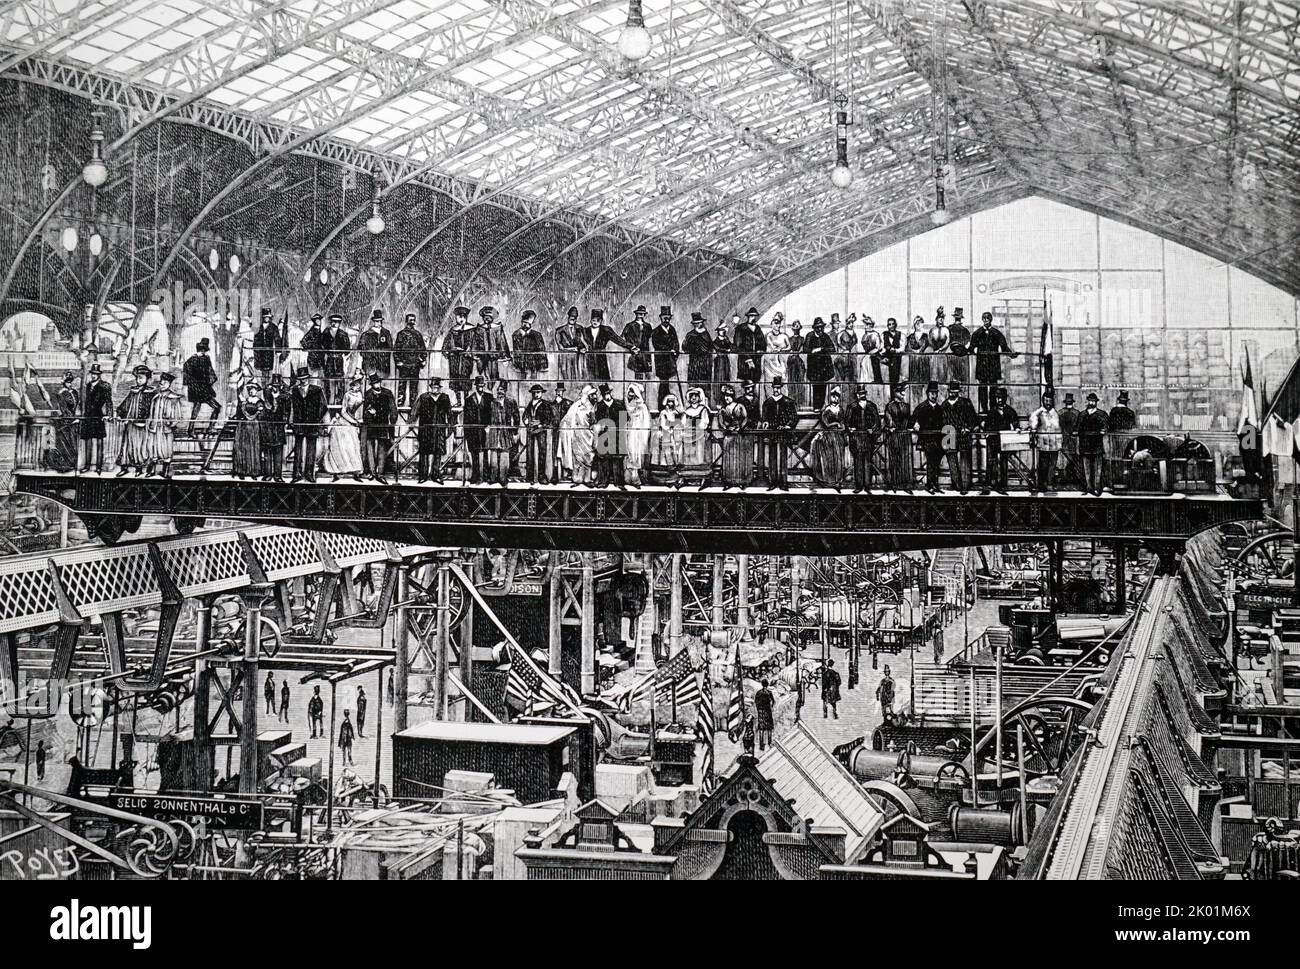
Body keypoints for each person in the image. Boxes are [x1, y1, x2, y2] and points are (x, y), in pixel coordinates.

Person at [968, 311, 1017, 412]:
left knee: (993, 388)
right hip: (982, 364)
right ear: (982, 320)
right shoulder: (977, 333)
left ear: (991, 320)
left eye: (988, 319)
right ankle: (984, 409)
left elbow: (1004, 347)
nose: (986, 321)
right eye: (984, 318)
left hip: (993, 364)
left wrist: (1011, 354)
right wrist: (965, 351)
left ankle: (993, 409)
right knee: (982, 388)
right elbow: (971, 347)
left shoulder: (996, 333)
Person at [323, 376, 365, 482]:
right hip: (344, 422)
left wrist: (358, 421)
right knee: (340, 447)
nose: (358, 386)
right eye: (356, 384)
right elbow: (343, 411)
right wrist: (353, 421)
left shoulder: (360, 395)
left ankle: (356, 472)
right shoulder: (347, 395)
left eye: (359, 384)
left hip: (355, 423)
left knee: (353, 448)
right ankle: (336, 472)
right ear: (352, 385)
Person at [115, 364, 155, 476]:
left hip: (142, 426)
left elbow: (152, 409)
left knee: (139, 448)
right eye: (137, 378)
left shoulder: (150, 393)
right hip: (131, 424)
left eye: (141, 378)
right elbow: (125, 404)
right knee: (127, 447)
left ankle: (139, 468)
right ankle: (124, 467)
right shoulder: (133, 391)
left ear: (147, 379)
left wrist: (146, 420)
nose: (138, 380)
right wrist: (120, 414)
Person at [289, 367, 328, 482]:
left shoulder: (317, 390)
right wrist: (292, 421)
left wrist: (316, 418)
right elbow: (291, 406)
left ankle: (309, 475)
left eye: (305, 378)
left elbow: (323, 406)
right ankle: (296, 475)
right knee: (298, 450)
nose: (303, 380)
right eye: (301, 378)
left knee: (311, 450)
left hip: (312, 424)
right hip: (299, 424)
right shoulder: (294, 390)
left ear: (308, 378)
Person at [411, 376, 452, 483]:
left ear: (440, 388)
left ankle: (436, 475)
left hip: (439, 430)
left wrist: (451, 426)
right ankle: (423, 476)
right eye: (434, 387)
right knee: (424, 452)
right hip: (425, 429)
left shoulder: (444, 398)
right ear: (430, 387)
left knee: (438, 452)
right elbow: (415, 411)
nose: (435, 389)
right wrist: (411, 422)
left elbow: (450, 413)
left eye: (437, 387)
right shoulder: (423, 397)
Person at [941, 379, 979, 494]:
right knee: (952, 460)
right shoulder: (944, 405)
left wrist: (968, 428)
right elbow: (941, 421)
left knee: (965, 461)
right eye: (951, 392)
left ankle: (965, 486)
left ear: (958, 392)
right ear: (948, 391)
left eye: (955, 392)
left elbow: (973, 419)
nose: (953, 394)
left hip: (963, 434)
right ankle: (956, 485)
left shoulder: (966, 403)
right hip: (949, 435)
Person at [580, 308, 634, 385]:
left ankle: (606, 396)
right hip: (589, 358)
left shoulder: (606, 330)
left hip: (601, 358)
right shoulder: (585, 330)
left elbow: (617, 339)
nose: (595, 322)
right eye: (593, 320)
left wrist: (630, 346)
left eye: (598, 320)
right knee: (591, 380)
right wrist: (581, 348)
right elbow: (580, 341)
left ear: (601, 321)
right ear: (590, 320)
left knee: (603, 380)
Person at [145, 371, 185, 478]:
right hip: (155, 427)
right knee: (153, 449)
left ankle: (166, 471)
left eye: (164, 383)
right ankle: (152, 470)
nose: (161, 385)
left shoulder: (174, 398)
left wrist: (172, 423)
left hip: (166, 429)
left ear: (169, 384)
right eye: (161, 383)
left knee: (166, 449)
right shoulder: (156, 398)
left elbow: (178, 414)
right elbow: (151, 413)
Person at [760, 376, 797, 489]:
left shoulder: (788, 402)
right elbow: (764, 417)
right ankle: (773, 482)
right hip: (772, 432)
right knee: (772, 457)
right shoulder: (767, 402)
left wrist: (788, 425)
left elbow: (794, 417)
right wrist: (765, 422)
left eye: (778, 388)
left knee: (783, 457)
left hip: (783, 433)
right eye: (774, 388)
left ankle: (783, 483)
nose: (776, 390)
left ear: (781, 388)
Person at [982, 386, 1020, 495]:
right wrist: (987, 433)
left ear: (1005, 398)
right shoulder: (992, 412)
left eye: (1001, 398)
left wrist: (1016, 428)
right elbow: (987, 426)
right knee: (991, 462)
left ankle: (1002, 485)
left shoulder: (1010, 411)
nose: (999, 400)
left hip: (1005, 441)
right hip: (993, 441)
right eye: (997, 397)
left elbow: (1015, 422)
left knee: (1003, 463)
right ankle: (988, 485)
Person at [560, 384, 599, 485]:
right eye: (592, 394)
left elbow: (594, 423)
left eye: (595, 394)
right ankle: (577, 477)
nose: (595, 396)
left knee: (588, 457)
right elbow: (567, 419)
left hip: (588, 436)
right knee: (578, 457)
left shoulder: (594, 406)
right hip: (577, 436)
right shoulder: (577, 406)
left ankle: (587, 479)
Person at [912, 380, 946, 492]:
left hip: (938, 440)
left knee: (936, 463)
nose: (934, 395)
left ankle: (935, 485)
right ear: (927, 394)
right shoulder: (922, 407)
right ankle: (930, 485)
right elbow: (912, 420)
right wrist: (915, 424)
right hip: (927, 439)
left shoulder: (940, 408)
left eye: (935, 393)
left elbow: (944, 423)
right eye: (932, 393)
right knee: (931, 461)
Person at [362, 372, 397, 483]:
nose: (376, 384)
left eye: (377, 382)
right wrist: (370, 414)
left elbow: (393, 409)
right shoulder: (368, 394)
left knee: (382, 448)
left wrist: (392, 421)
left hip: (383, 424)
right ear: (371, 384)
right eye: (374, 383)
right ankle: (372, 472)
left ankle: (380, 473)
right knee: (370, 448)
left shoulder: (387, 393)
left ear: (380, 382)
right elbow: (364, 411)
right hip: (371, 425)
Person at [591, 383, 628, 488]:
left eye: (608, 393)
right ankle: (603, 481)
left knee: (617, 458)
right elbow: (596, 420)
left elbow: (625, 418)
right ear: (602, 395)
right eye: (604, 394)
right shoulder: (599, 406)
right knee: (603, 458)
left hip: (616, 435)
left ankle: (619, 482)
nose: (607, 396)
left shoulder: (618, 404)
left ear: (610, 393)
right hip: (604, 435)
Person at [183, 338, 221, 435]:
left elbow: (210, 372)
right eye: (202, 350)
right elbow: (188, 376)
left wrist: (210, 381)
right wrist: (194, 385)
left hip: (202, 389)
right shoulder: (193, 360)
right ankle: (210, 428)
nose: (203, 352)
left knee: (197, 408)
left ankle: (191, 430)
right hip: (201, 390)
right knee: (216, 407)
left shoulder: (202, 359)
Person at [811, 388, 847, 489]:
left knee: (838, 457)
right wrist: (836, 423)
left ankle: (838, 479)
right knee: (829, 457)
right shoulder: (827, 410)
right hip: (829, 436)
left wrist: (843, 427)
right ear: (830, 397)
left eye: (837, 397)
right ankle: (828, 480)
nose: (835, 398)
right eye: (833, 396)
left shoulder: (841, 410)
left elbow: (843, 422)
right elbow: (825, 423)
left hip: (838, 436)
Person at [846, 384, 880, 493]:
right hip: (856, 438)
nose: (862, 395)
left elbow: (877, 421)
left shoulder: (872, 406)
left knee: (867, 462)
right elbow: (847, 422)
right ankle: (859, 486)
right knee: (858, 462)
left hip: (868, 438)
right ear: (857, 395)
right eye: (860, 394)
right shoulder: (852, 407)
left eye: (863, 393)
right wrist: (850, 429)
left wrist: (873, 429)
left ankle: (868, 486)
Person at [718, 385, 754, 488]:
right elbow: (721, 423)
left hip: (740, 436)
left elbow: (745, 418)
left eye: (728, 396)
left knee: (740, 458)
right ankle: (729, 482)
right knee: (729, 459)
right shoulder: (723, 410)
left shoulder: (739, 406)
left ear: (732, 396)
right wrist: (727, 428)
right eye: (725, 396)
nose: (726, 398)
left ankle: (742, 482)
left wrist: (740, 427)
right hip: (729, 437)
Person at [80, 363, 112, 473]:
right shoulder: (89, 385)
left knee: (99, 443)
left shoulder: (105, 386)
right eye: (92, 374)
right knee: (88, 442)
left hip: (98, 416)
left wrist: (109, 414)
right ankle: (87, 466)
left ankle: (99, 467)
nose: (93, 376)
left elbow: (109, 402)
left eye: (96, 374)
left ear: (99, 374)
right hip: (88, 417)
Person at [1028, 389, 1062, 493]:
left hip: (1054, 444)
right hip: (1043, 444)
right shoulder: (1039, 413)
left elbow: (1058, 427)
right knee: (1043, 465)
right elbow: (1032, 424)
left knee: (1052, 465)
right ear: (1043, 401)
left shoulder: (1055, 413)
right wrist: (1038, 413)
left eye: (1049, 401)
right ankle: (1042, 484)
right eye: (1045, 401)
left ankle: (1050, 484)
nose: (1047, 403)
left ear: (1052, 401)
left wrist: (1060, 442)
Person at [521, 383, 554, 484]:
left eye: (538, 393)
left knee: (542, 453)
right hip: (530, 431)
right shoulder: (530, 404)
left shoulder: (546, 404)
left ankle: (541, 476)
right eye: (534, 393)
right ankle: (530, 476)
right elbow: (525, 416)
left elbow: (549, 418)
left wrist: (541, 424)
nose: (536, 395)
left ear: (541, 394)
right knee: (530, 453)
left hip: (541, 431)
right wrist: (527, 422)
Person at [487, 379, 518, 485]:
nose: (500, 392)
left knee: (504, 456)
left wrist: (514, 431)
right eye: (498, 390)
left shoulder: (511, 402)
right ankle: (493, 477)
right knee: (494, 456)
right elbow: (486, 417)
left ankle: (503, 478)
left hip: (505, 432)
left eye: (502, 390)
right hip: (494, 432)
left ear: (505, 391)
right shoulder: (492, 403)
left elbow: (516, 417)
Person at [394, 312, 427, 408]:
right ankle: (400, 404)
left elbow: (423, 349)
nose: (412, 322)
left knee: (414, 386)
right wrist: (398, 361)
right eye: (410, 320)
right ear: (406, 321)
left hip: (415, 364)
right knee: (402, 385)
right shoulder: (401, 334)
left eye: (413, 320)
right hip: (404, 364)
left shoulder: (418, 334)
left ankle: (413, 405)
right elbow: (397, 350)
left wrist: (423, 360)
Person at [883, 383, 912, 491]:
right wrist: (891, 426)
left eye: (904, 391)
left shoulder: (907, 406)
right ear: (896, 393)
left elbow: (909, 420)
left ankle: (906, 484)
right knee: (894, 460)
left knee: (905, 460)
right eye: (901, 392)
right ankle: (895, 484)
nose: (903, 393)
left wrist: (911, 426)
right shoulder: (890, 406)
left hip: (904, 436)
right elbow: (888, 419)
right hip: (894, 436)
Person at [1078, 391, 1109, 495]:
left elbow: (1106, 426)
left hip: (1097, 446)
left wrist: (1103, 430)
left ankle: (1096, 487)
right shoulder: (1082, 414)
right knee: (1086, 468)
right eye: (1090, 401)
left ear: (1096, 402)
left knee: (1097, 469)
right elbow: (1077, 428)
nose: (1091, 403)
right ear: (1087, 401)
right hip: (1085, 446)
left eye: (1093, 401)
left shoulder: (1102, 414)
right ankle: (1088, 487)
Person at [444, 305, 476, 404]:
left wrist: (470, 351)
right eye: (459, 317)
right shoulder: (452, 330)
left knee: (465, 378)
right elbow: (445, 345)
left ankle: (466, 399)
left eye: (463, 317)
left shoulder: (471, 329)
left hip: (466, 359)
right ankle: (458, 400)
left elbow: (475, 343)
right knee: (455, 379)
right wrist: (451, 350)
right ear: (456, 318)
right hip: (455, 359)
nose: (461, 319)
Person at [679, 386, 713, 479]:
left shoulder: (703, 409)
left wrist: (698, 429)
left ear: (699, 397)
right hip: (688, 435)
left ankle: (700, 473)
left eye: (696, 396)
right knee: (688, 454)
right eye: (692, 396)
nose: (694, 398)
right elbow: (683, 423)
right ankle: (689, 474)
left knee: (700, 453)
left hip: (699, 434)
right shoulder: (687, 411)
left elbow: (705, 422)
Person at [650, 306, 681, 407]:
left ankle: (670, 406)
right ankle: (661, 406)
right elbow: (657, 345)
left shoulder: (672, 330)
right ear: (661, 318)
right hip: (661, 362)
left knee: (669, 385)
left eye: (668, 318)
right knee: (663, 384)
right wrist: (669, 350)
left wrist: (675, 352)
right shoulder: (656, 331)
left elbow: (676, 343)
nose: (666, 320)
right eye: (664, 318)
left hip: (671, 361)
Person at [231, 383, 263, 479]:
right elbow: (240, 413)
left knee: (254, 448)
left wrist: (252, 415)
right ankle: (241, 471)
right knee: (242, 448)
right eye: (249, 389)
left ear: (257, 390)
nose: (251, 391)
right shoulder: (244, 401)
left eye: (253, 389)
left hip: (254, 427)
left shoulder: (259, 402)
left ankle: (253, 472)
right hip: (243, 427)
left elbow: (259, 414)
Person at [805, 316, 836, 409]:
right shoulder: (810, 336)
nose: (820, 329)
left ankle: (821, 407)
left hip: (824, 368)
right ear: (814, 328)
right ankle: (816, 407)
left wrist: (821, 349)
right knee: (815, 387)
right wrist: (813, 350)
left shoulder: (825, 336)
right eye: (818, 327)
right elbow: (805, 349)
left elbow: (832, 348)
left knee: (823, 388)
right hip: (814, 368)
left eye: (821, 327)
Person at [624, 384, 652, 485]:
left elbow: (646, 424)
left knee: (637, 454)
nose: (630, 394)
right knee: (630, 452)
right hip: (630, 432)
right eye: (629, 392)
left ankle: (636, 477)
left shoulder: (642, 407)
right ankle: (630, 476)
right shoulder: (628, 405)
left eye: (632, 392)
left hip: (638, 435)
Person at [734, 307, 767, 389]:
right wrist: (748, 359)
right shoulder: (741, 328)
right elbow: (738, 346)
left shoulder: (758, 329)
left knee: (755, 384)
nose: (754, 318)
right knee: (745, 384)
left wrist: (761, 351)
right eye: (752, 316)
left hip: (757, 361)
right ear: (748, 316)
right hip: (744, 362)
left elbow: (763, 343)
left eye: (755, 316)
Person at [621, 305, 653, 387]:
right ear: (636, 314)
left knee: (646, 376)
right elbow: (622, 337)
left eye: (642, 313)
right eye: (639, 313)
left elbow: (651, 338)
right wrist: (631, 346)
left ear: (644, 315)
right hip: (635, 352)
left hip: (645, 353)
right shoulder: (630, 325)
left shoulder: (648, 326)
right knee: (637, 375)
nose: (640, 315)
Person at [682, 312, 714, 389]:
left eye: (699, 323)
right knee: (694, 385)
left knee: (705, 385)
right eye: (696, 323)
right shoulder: (690, 335)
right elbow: (685, 347)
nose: (698, 324)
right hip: (694, 363)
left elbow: (710, 347)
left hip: (705, 363)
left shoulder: (706, 334)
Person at [325, 313, 351, 405]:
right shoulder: (325, 333)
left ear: (339, 323)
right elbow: (321, 345)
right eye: (333, 322)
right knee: (330, 386)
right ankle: (330, 405)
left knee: (340, 385)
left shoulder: (343, 334)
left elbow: (347, 350)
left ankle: (339, 407)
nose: (335, 323)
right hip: (329, 362)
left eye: (337, 322)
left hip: (339, 362)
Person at [654, 393, 684, 471]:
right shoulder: (663, 413)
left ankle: (676, 463)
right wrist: (668, 428)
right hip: (666, 433)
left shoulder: (676, 413)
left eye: (672, 402)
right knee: (666, 448)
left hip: (675, 433)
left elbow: (678, 422)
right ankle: (668, 465)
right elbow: (662, 423)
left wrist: (675, 427)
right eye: (669, 402)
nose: (670, 404)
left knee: (675, 449)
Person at [550, 382, 573, 482]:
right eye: (558, 391)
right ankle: (555, 474)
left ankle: (566, 473)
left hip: (565, 432)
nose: (559, 393)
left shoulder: (568, 404)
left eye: (561, 391)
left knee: (566, 451)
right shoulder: (551, 405)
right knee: (555, 452)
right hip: (555, 432)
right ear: (556, 392)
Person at [555, 305, 583, 387]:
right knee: (565, 377)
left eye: (575, 317)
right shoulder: (559, 331)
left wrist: (583, 348)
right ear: (568, 316)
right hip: (564, 358)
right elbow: (560, 347)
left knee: (576, 378)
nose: (573, 318)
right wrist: (573, 349)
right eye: (571, 316)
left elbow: (583, 342)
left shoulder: (580, 328)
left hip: (576, 359)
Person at [252, 307, 280, 385]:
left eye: (268, 317)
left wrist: (278, 350)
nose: (266, 318)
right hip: (259, 353)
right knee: (260, 371)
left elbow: (277, 339)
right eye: (265, 317)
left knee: (268, 372)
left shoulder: (273, 327)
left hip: (268, 353)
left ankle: (268, 386)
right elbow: (255, 339)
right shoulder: (258, 327)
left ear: (270, 318)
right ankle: (261, 386)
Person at [1057, 392, 1080, 489]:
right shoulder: (1077, 413)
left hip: (1064, 438)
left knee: (1065, 459)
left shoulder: (1060, 412)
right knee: (1072, 458)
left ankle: (1066, 479)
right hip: (1073, 439)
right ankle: (1071, 479)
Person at [763, 314, 789, 391]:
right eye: (775, 323)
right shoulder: (768, 336)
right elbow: (771, 346)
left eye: (779, 323)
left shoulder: (784, 336)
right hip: (770, 364)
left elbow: (789, 347)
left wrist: (781, 349)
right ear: (772, 324)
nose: (777, 325)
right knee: (770, 384)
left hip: (781, 363)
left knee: (782, 383)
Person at [785, 319, 808, 407]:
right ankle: (792, 401)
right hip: (791, 362)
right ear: (792, 329)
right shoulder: (789, 339)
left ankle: (800, 402)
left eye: (798, 328)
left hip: (799, 361)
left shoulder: (802, 339)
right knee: (791, 381)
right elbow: (788, 349)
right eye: (795, 328)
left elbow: (803, 349)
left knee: (800, 381)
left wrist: (797, 352)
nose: (796, 329)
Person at [711, 319, 734, 404]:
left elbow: (732, 347)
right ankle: (718, 401)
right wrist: (726, 350)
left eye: (724, 330)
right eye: (721, 330)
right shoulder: (716, 341)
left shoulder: (726, 340)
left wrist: (728, 349)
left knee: (726, 378)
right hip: (719, 362)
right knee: (719, 379)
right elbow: (718, 349)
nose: (723, 332)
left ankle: (725, 399)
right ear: (718, 331)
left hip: (725, 361)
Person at [905, 315, 931, 388]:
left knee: (925, 382)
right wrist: (913, 351)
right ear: (914, 324)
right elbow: (907, 348)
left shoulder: (926, 337)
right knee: (914, 382)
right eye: (917, 323)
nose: (919, 325)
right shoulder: (910, 337)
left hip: (924, 362)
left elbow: (929, 348)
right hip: (913, 361)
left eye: (921, 323)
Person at [928, 306, 951, 385]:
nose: (941, 321)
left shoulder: (946, 330)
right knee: (933, 374)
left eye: (942, 319)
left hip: (943, 354)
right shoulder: (932, 330)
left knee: (943, 374)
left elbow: (947, 342)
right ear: (936, 319)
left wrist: (941, 349)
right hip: (934, 354)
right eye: (939, 319)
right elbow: (930, 341)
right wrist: (935, 349)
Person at [948, 306, 970, 386]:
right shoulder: (965, 330)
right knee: (961, 379)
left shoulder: (949, 328)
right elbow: (967, 343)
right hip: (961, 356)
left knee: (952, 377)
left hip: (952, 355)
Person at [835, 314, 859, 389]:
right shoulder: (842, 333)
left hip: (852, 358)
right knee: (843, 377)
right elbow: (838, 342)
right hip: (843, 357)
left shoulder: (854, 333)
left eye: (852, 323)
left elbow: (855, 343)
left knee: (852, 377)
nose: (851, 325)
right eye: (849, 323)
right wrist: (844, 349)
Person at [882, 317, 903, 394]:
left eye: (893, 324)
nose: (891, 326)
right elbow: (882, 347)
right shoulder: (884, 334)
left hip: (897, 359)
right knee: (888, 381)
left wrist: (894, 350)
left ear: (896, 325)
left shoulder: (900, 335)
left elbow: (902, 348)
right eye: (889, 324)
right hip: (887, 359)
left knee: (896, 380)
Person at [860, 316, 883, 385]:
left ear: (871, 325)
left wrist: (871, 353)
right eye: (865, 324)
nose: (865, 326)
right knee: (863, 364)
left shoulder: (875, 334)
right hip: (867, 354)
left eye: (867, 325)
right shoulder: (864, 335)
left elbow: (879, 347)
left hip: (875, 355)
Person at [754, 678, 775, 751]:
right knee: (769, 728)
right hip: (768, 711)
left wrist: (758, 709)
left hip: (761, 712)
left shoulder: (758, 693)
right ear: (767, 684)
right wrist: (771, 707)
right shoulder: (769, 692)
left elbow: (756, 702)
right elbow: (773, 702)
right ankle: (769, 742)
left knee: (761, 728)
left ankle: (761, 745)